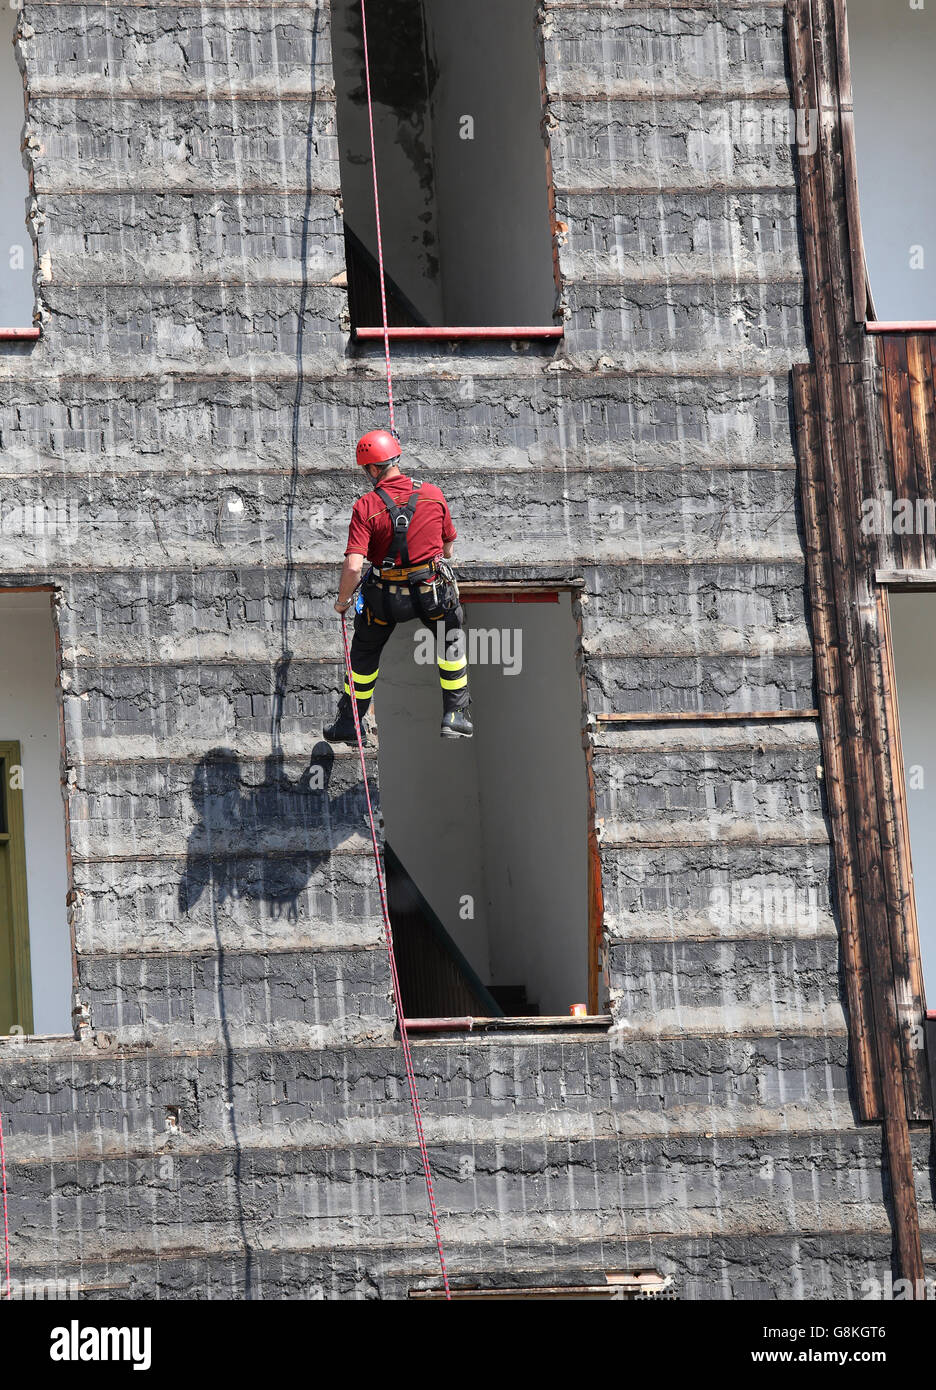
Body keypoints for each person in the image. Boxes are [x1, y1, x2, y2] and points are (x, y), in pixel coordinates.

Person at [324, 428, 472, 744]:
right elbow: (447, 549)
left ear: (373, 468)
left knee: (364, 655)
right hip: (431, 592)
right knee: (450, 640)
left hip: (384, 598)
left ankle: (350, 722)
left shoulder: (366, 506)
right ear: (396, 459)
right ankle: (455, 715)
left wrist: (342, 601)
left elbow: (353, 565)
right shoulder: (433, 493)